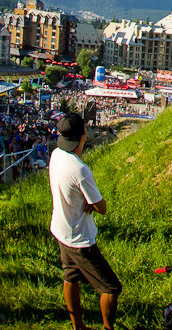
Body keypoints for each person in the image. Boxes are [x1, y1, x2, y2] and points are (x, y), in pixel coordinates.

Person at [49, 112, 121, 330]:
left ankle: (77, 326)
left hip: (61, 227)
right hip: (79, 237)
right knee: (110, 288)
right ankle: (109, 328)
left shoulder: (56, 155)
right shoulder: (80, 169)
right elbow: (102, 207)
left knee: (70, 275)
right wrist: (93, 203)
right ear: (83, 136)